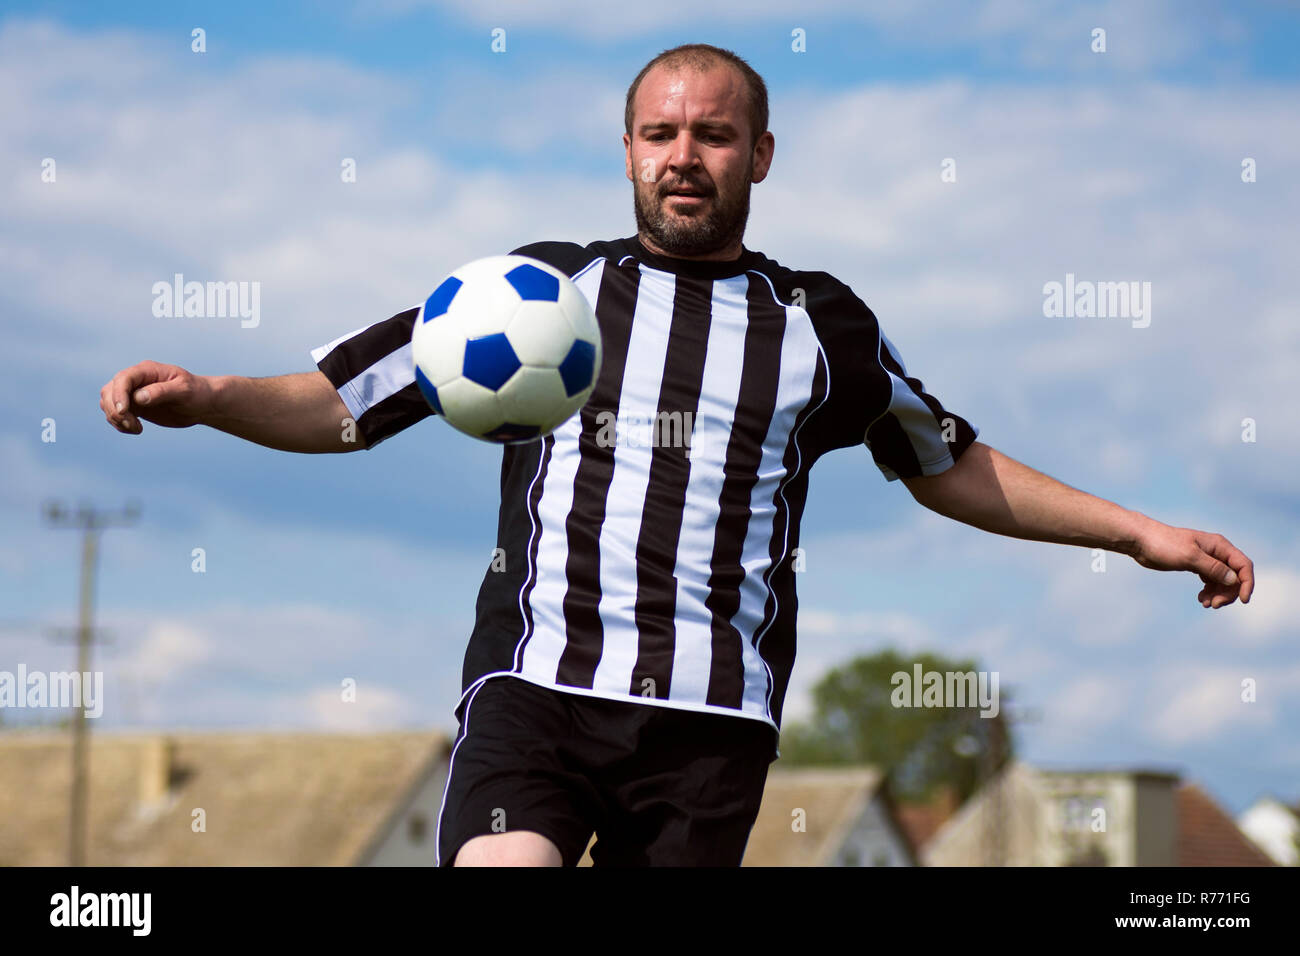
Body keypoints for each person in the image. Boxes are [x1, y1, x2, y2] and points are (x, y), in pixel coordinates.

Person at [99, 43, 1254, 867]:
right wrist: (208, 395)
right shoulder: (535, 293)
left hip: (711, 717)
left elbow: (944, 460)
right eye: (661, 134)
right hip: (538, 686)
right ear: (627, 150)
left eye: (711, 134)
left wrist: (1136, 529)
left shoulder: (823, 324)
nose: (684, 156)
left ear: (759, 153)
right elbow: (343, 405)